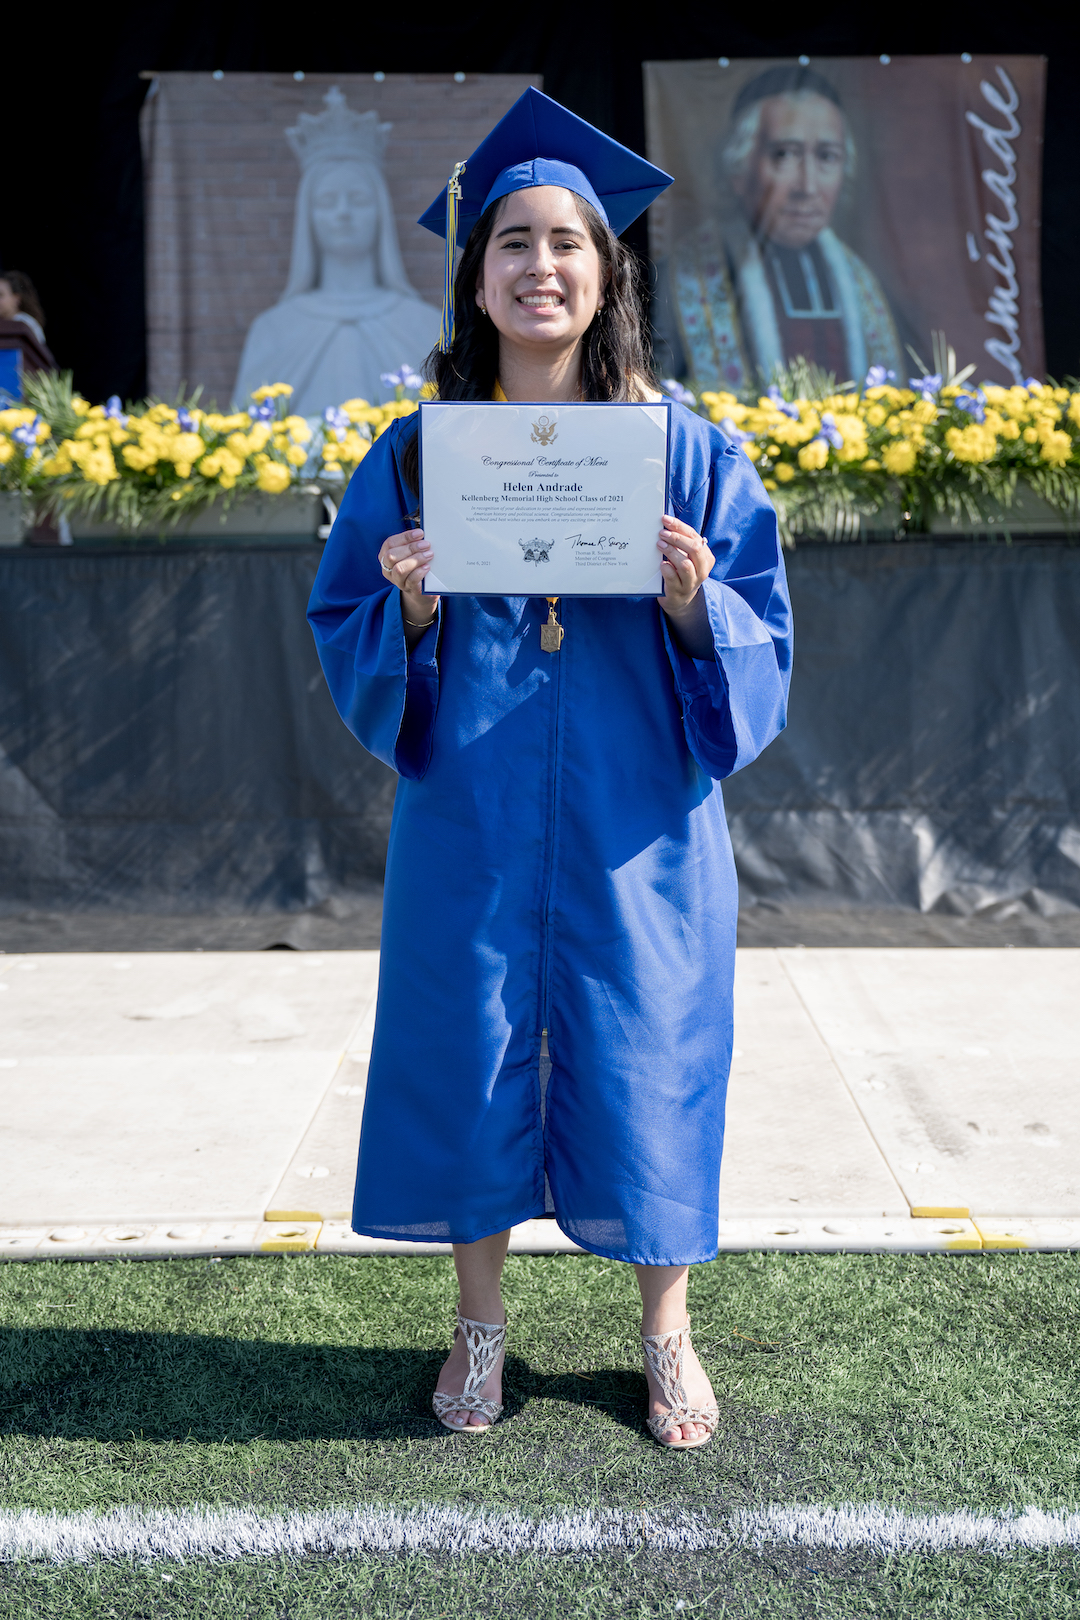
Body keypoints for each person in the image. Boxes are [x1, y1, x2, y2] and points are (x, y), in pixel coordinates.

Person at [308, 88, 792, 1449]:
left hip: (638, 818)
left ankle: (666, 1334)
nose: (540, 266)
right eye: (511, 241)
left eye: (567, 242)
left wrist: (698, 601)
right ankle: (477, 1330)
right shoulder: (415, 458)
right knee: (467, 1048)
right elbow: (343, 622)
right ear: (475, 275)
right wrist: (404, 608)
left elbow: (762, 639)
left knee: (652, 1049)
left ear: (606, 269)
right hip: (476, 814)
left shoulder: (688, 452)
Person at [658, 66, 903, 390]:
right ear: (739, 168)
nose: (808, 186)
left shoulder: (864, 285)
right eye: (785, 155)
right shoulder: (676, 278)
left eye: (827, 156)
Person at [233, 87, 440, 415]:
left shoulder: (426, 325)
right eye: (327, 201)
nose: (343, 213)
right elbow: (247, 433)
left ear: (380, 212)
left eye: (358, 199)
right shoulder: (273, 329)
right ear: (308, 216)